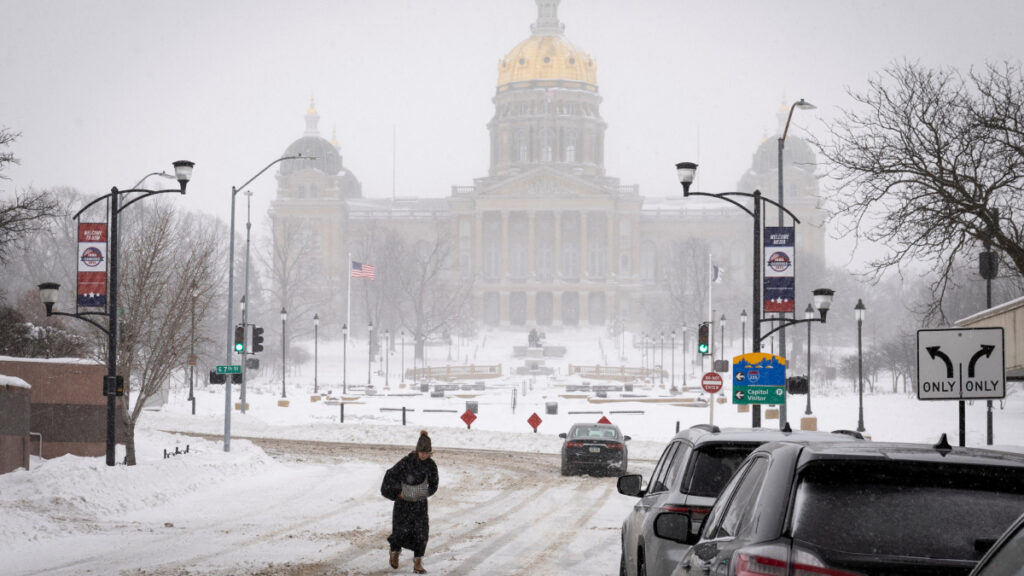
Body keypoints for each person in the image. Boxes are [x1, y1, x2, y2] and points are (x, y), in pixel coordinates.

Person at [387, 430, 439, 573]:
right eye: (421, 452)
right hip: (402, 504)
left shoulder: (431, 465)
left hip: (420, 505)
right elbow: (390, 476)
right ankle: (394, 553)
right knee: (399, 531)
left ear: (430, 452)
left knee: (421, 534)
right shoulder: (406, 461)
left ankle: (418, 562)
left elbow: (434, 484)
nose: (424, 455)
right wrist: (398, 492)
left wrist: (425, 493)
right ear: (417, 451)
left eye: (426, 452)